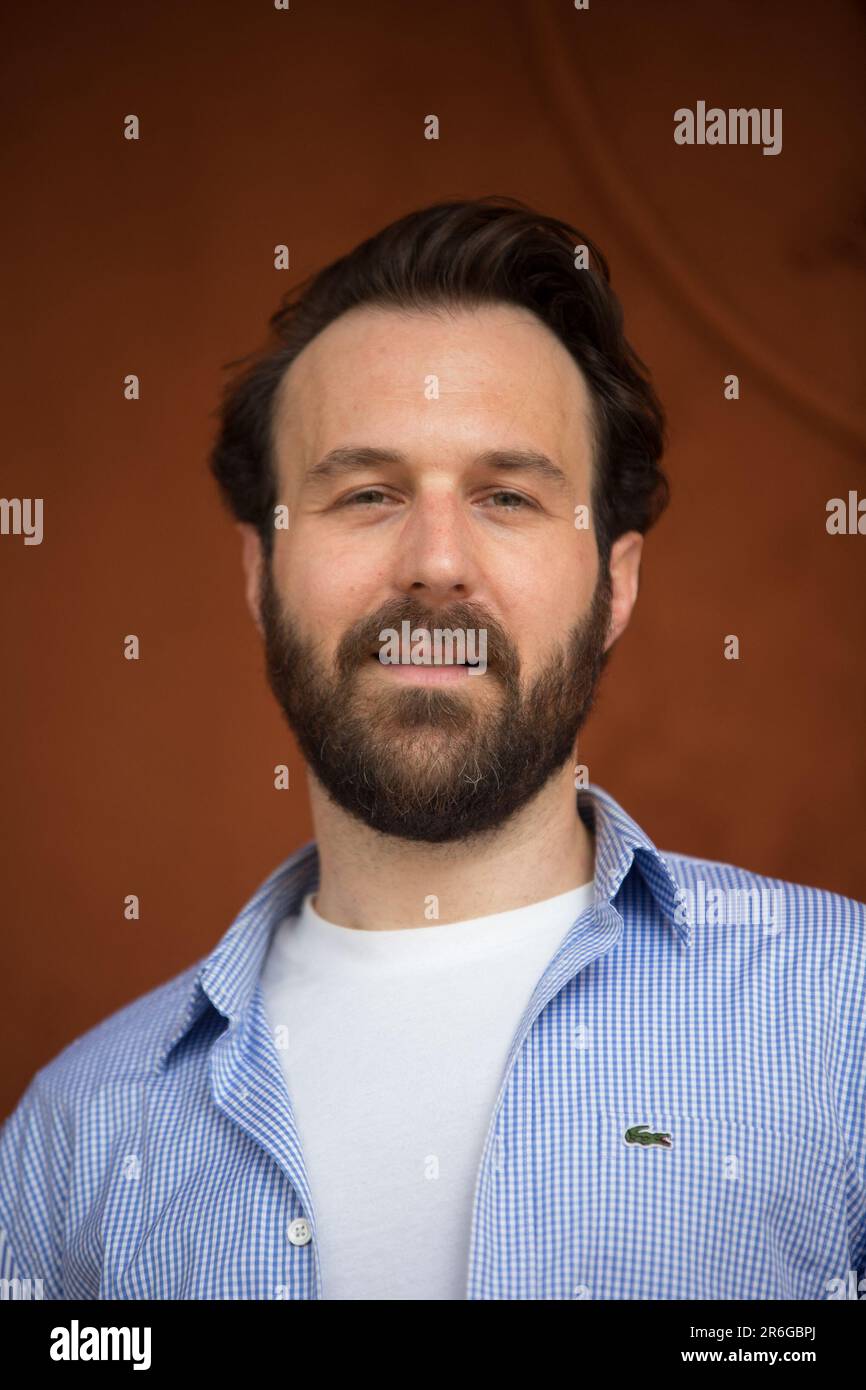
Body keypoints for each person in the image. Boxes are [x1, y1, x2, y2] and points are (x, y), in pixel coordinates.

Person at [2, 198, 863, 1301]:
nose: (435, 562)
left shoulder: (843, 1018)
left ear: (617, 585)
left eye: (507, 496)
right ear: (259, 580)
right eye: (366, 493)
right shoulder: (69, 1142)